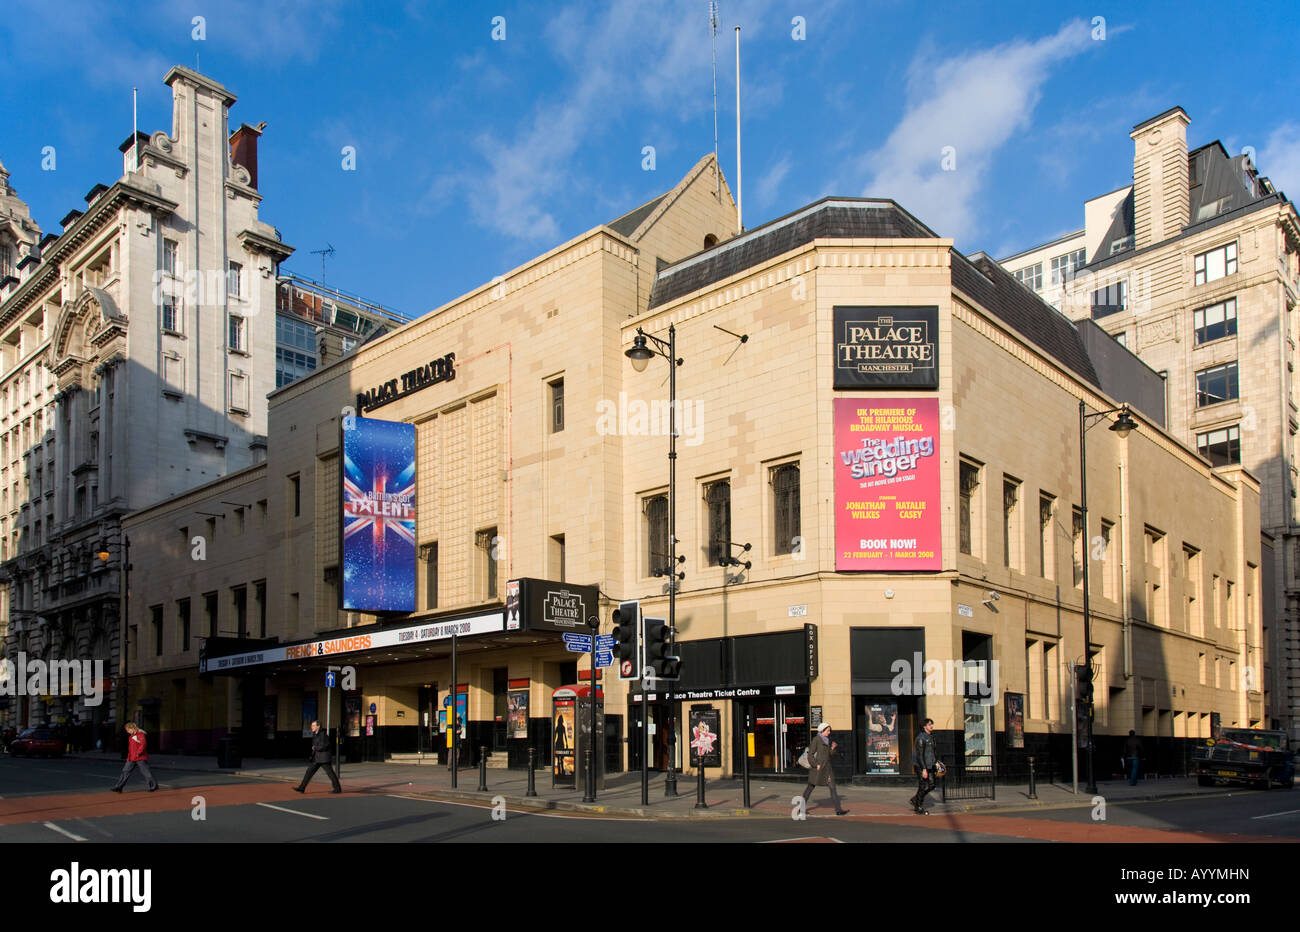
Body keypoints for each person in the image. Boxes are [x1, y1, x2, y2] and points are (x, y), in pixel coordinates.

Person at [801, 722, 848, 816]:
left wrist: (833, 748)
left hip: (827, 769)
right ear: (822, 731)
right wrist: (815, 765)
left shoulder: (826, 740)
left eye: (829, 730)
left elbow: (828, 754)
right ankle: (801, 809)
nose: (829, 732)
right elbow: (810, 754)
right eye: (828, 730)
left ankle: (838, 810)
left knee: (833, 788)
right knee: (810, 787)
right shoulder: (816, 739)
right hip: (817, 769)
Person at [293, 720, 342, 794]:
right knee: (308, 772)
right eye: (311, 725)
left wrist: (315, 748)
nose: (311, 727)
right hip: (317, 758)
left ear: (318, 726)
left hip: (324, 758)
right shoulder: (315, 734)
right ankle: (301, 788)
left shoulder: (323, 735)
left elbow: (324, 745)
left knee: (330, 774)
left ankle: (337, 789)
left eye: (313, 725)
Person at [110, 722, 158, 793]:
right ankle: (118, 787)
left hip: (140, 757)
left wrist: (138, 753)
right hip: (131, 758)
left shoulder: (140, 734)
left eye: (128, 730)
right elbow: (131, 748)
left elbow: (143, 745)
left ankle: (153, 786)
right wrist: (129, 757)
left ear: (132, 728)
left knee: (146, 772)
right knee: (125, 772)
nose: (127, 731)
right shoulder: (131, 736)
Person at [909, 718, 939, 814]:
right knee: (923, 785)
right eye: (929, 724)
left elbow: (933, 752)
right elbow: (920, 755)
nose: (931, 726)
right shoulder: (921, 738)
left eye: (932, 724)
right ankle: (918, 807)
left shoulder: (931, 737)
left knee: (932, 785)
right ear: (924, 726)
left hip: (930, 764)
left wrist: (936, 762)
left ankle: (915, 799)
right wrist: (924, 769)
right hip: (921, 765)